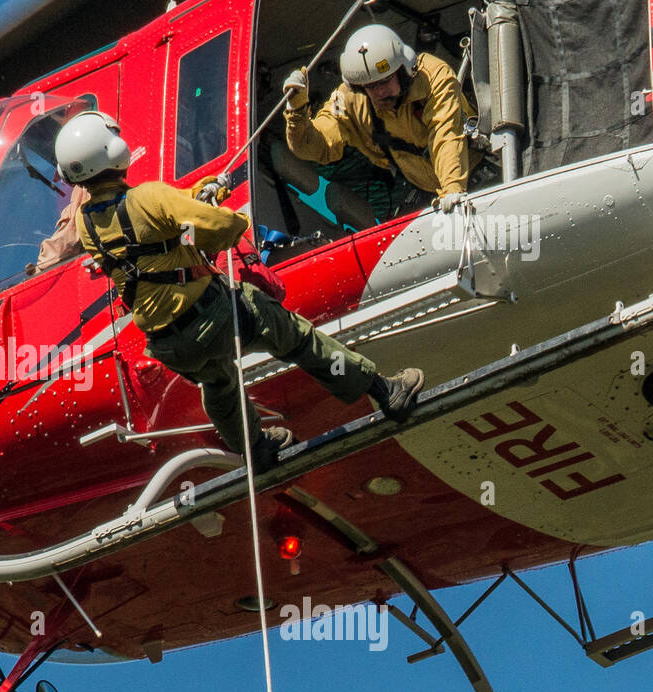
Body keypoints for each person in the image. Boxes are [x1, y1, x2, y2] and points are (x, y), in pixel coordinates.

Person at [53, 110, 424, 469]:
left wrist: (198, 196)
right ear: (112, 151)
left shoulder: (87, 225)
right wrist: (234, 216)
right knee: (295, 336)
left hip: (168, 343)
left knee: (218, 383)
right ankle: (384, 391)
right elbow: (222, 229)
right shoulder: (149, 197)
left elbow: (155, 238)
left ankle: (256, 449)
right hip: (211, 317)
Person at [283, 24, 479, 215]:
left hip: (475, 175)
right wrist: (297, 111)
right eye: (371, 86)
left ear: (403, 71)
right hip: (429, 191)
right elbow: (315, 145)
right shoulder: (350, 100)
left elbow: (446, 134)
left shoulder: (432, 76)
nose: (379, 92)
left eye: (385, 80)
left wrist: (453, 190)